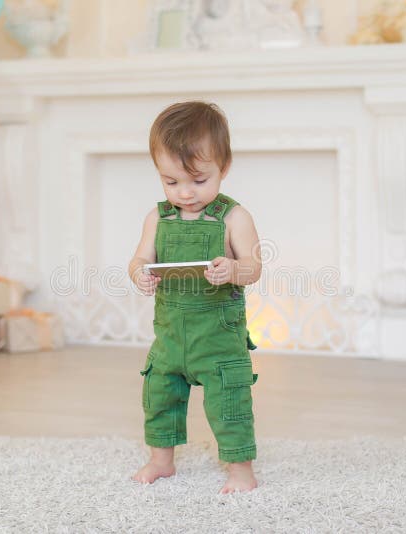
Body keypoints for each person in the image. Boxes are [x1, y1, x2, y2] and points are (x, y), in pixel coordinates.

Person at [129, 101, 262, 494]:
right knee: (159, 395)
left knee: (229, 402)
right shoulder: (158, 218)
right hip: (171, 335)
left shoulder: (233, 217)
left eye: (198, 180)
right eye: (171, 182)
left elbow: (254, 266)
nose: (185, 193)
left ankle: (240, 469)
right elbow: (139, 258)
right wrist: (139, 273)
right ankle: (161, 461)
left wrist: (233, 270)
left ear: (224, 166)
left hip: (218, 337)